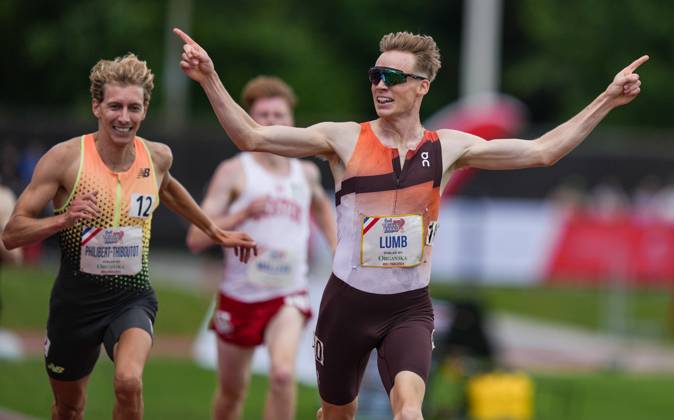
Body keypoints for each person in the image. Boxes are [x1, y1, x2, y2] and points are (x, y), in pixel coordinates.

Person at [174, 27, 647, 419]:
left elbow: (542, 152)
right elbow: (251, 135)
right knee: (337, 413)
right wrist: (210, 78)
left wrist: (605, 100)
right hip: (346, 305)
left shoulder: (448, 147)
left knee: (409, 410)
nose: (380, 85)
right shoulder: (342, 139)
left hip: (409, 308)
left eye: (394, 77)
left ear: (422, 85)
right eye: (376, 74)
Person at [0, 53, 256, 420]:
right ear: (97, 107)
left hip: (131, 297)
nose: (124, 117)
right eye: (115, 106)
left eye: (133, 107)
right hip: (74, 305)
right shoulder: (65, 160)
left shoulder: (156, 157)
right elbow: (11, 234)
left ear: (145, 110)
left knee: (129, 382)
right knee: (69, 409)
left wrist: (214, 230)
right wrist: (63, 220)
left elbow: (168, 188)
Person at [186, 75, 337, 420]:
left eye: (278, 115)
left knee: (283, 375)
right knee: (231, 392)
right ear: (251, 122)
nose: (272, 123)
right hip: (239, 296)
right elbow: (196, 238)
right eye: (263, 116)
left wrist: (335, 245)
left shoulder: (306, 173)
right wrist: (242, 212)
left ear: (291, 121)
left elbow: (321, 207)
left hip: (288, 294)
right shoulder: (234, 172)